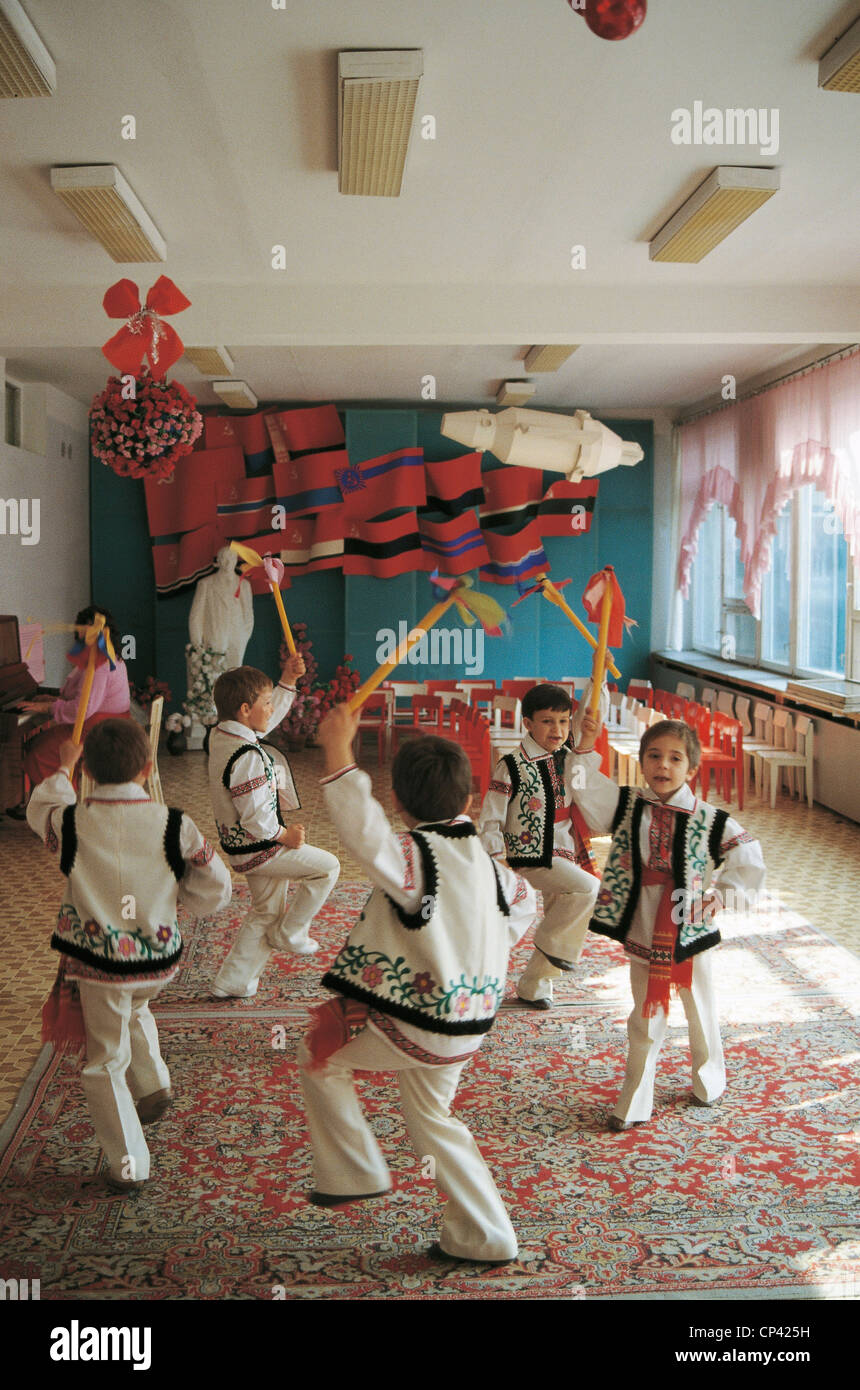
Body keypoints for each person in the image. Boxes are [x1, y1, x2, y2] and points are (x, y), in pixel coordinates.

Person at [299, 705, 538, 1264]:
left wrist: (338, 751)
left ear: (400, 805)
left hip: (420, 1023)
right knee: (432, 1118)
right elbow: (527, 908)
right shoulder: (495, 869)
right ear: (472, 801)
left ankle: (353, 1171)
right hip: (470, 1025)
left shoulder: (414, 857)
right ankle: (487, 1236)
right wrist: (471, 958)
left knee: (321, 1054)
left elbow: (363, 831)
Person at [27, 719, 232, 1194]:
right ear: (146, 768)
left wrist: (63, 768)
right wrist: (183, 905)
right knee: (136, 1006)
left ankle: (127, 1164)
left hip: (100, 966)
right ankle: (153, 1080)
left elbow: (41, 807)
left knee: (103, 1060)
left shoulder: (70, 821)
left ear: (90, 776)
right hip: (158, 959)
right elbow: (217, 885)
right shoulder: (175, 823)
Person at [573, 716, 766, 1130]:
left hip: (690, 927)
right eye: (654, 756)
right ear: (642, 762)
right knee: (645, 1014)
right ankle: (634, 1101)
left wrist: (722, 895)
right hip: (643, 924)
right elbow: (586, 786)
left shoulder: (709, 818)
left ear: (691, 769)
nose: (663, 766)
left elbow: (747, 852)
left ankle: (709, 1080)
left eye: (675, 758)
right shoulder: (627, 806)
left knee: (700, 1007)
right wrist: (586, 744)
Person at [208, 657, 340, 998]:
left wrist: (285, 681)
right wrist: (286, 836)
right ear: (245, 709)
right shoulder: (247, 755)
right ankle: (292, 931)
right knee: (327, 868)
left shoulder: (222, 734)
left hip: (241, 846)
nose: (271, 710)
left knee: (266, 910)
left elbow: (266, 719)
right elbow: (256, 820)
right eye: (265, 704)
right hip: (260, 846)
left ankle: (233, 980)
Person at [477, 682, 602, 1009]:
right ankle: (550, 946)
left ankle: (535, 984)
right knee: (588, 889)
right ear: (528, 723)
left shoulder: (569, 756)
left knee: (560, 907)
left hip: (564, 849)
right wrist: (496, 859)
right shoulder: (512, 766)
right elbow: (490, 818)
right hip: (527, 855)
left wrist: (597, 675)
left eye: (563, 721)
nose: (557, 729)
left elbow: (588, 712)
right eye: (547, 721)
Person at [16, 605, 130, 803]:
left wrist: (48, 708)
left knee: (39, 752)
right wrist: (54, 701)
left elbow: (82, 708)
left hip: (99, 733)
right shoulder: (103, 658)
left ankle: (58, 803)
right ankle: (38, 799)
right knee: (37, 743)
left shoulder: (100, 664)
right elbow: (82, 696)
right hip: (99, 726)